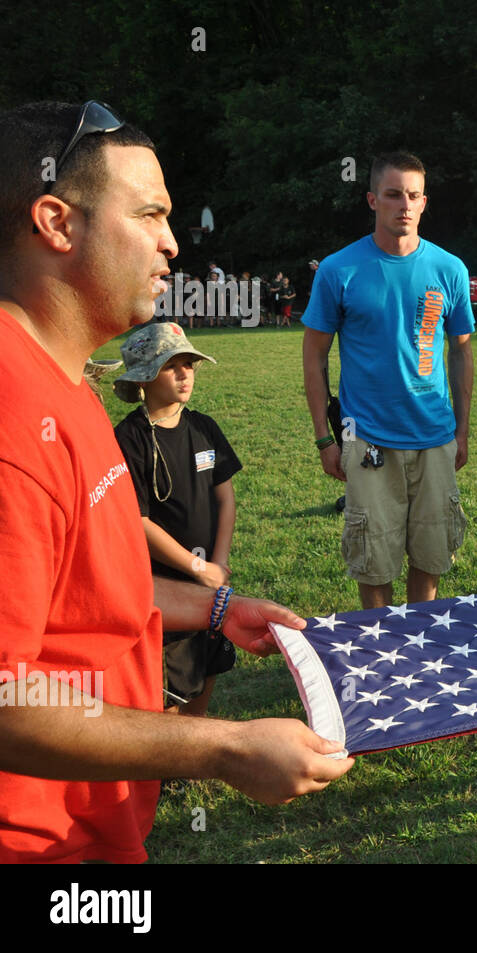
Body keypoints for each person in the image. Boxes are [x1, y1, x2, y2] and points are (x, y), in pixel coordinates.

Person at [0, 100, 352, 864]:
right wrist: (222, 749)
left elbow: (89, 589)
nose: (172, 242)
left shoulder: (70, 384)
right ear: (57, 223)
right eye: (150, 214)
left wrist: (216, 605)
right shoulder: (11, 418)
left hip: (102, 829)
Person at [302, 151, 474, 610]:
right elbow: (314, 354)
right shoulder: (341, 269)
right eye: (394, 194)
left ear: (424, 202)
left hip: (434, 437)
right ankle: (381, 651)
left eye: (413, 196)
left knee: (432, 553)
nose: (404, 205)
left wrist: (461, 430)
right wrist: (325, 438)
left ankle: (416, 642)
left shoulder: (449, 269)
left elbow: (461, 353)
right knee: (373, 559)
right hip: (367, 439)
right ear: (372, 199)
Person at [113, 322, 240, 717]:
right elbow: (138, 520)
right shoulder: (129, 438)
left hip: (209, 573)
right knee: (170, 674)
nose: (186, 374)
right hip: (162, 581)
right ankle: (167, 764)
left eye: (190, 364)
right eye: (173, 366)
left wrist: (217, 563)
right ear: (146, 377)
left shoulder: (204, 427)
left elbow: (226, 497)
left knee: (209, 655)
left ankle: (195, 735)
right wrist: (195, 567)